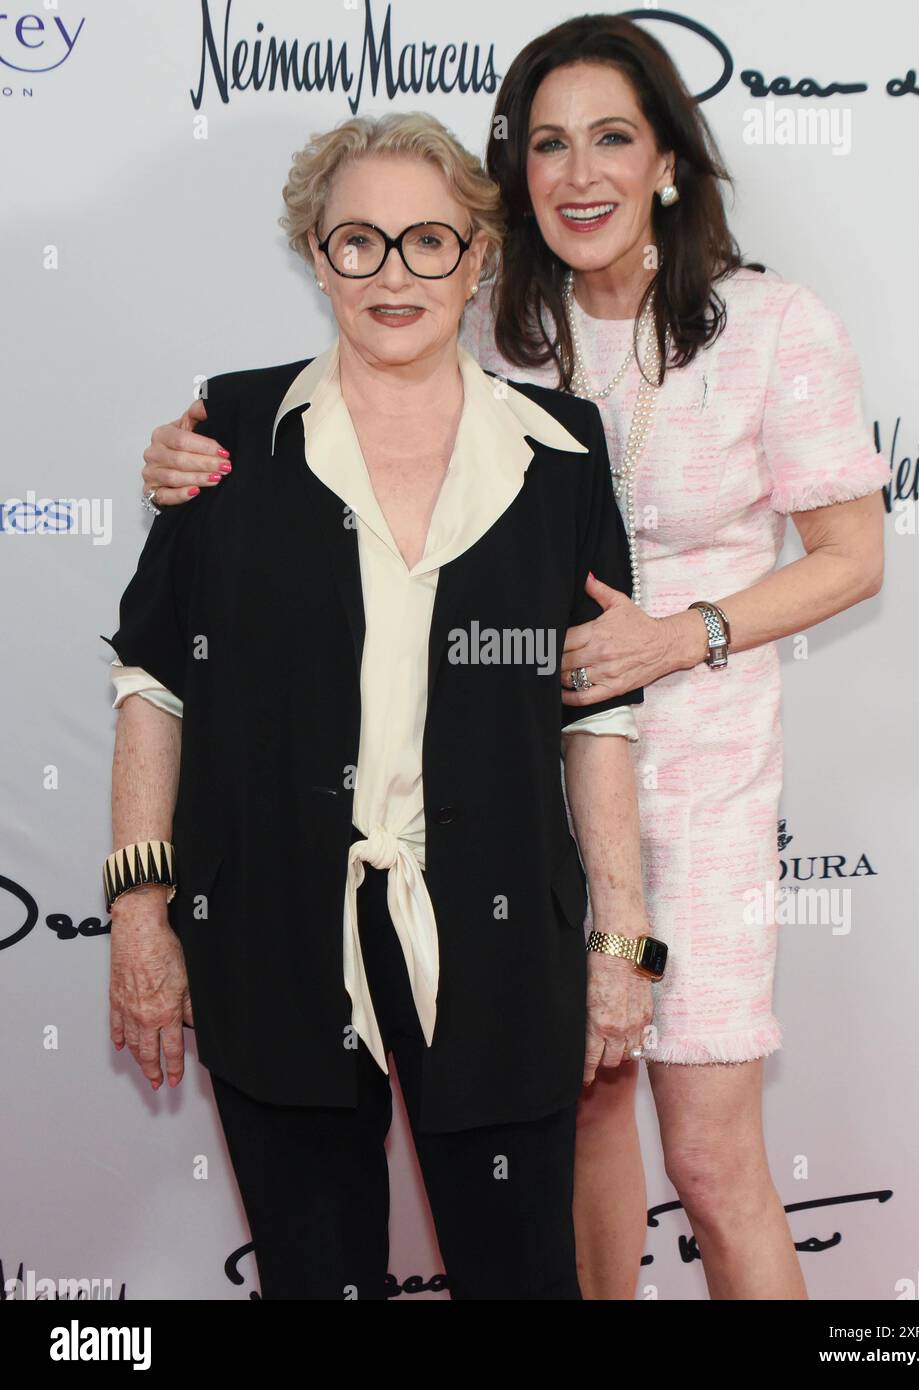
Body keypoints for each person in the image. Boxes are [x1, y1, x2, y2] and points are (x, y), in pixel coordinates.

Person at [136, 17, 887, 1301]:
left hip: (693, 791)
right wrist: (185, 456)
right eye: (547, 143)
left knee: (707, 1160)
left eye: (611, 138)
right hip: (512, 805)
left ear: (666, 162)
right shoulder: (501, 333)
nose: (578, 171)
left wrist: (683, 631)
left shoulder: (772, 324)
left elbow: (850, 557)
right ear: (512, 181)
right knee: (571, 1141)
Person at [103, 112, 662, 1300]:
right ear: (316, 257)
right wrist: (140, 910)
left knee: (522, 1280)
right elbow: (156, 685)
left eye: (427, 242)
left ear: (479, 260)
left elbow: (592, 709)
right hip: (269, 932)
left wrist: (619, 938)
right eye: (358, 241)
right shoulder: (230, 436)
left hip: (503, 941)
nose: (393, 273)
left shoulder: (559, 450)